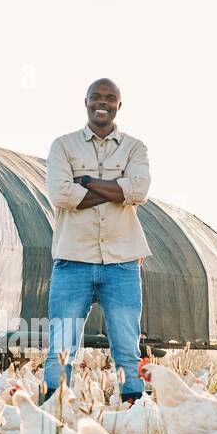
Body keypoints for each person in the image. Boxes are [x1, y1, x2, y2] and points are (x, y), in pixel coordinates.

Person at [43, 78, 150, 404]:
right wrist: (115, 188)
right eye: (96, 97)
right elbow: (61, 194)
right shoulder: (63, 145)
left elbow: (138, 192)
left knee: (126, 345)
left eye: (110, 98)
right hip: (73, 260)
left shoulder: (134, 147)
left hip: (122, 262)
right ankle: (54, 412)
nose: (102, 102)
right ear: (86, 101)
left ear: (119, 104)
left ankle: (135, 413)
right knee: (61, 345)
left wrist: (85, 182)